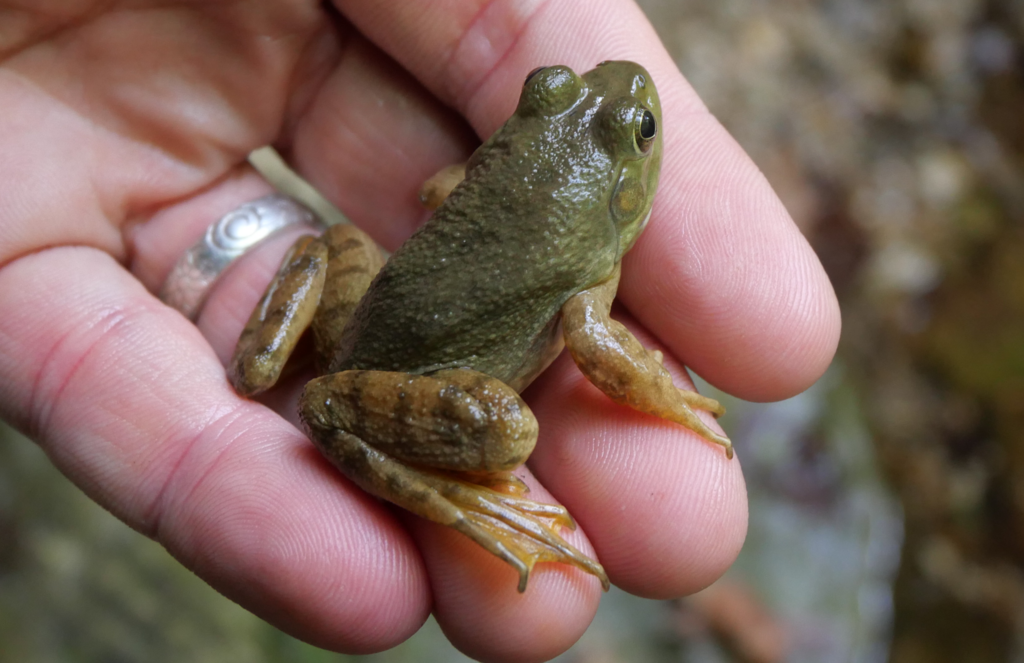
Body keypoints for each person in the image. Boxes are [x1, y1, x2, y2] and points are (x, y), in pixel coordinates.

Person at [0, 1, 840, 660]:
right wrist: (666, 393)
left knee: (339, 242)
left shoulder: (486, 175)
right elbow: (593, 341)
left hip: (377, 317)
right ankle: (454, 501)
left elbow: (445, 191)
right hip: (408, 367)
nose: (626, 100)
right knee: (510, 431)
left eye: (636, 130)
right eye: (558, 93)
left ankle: (275, 366)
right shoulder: (594, 264)